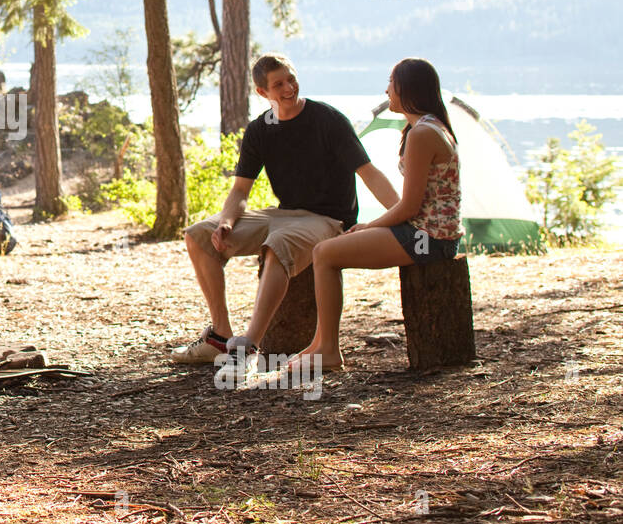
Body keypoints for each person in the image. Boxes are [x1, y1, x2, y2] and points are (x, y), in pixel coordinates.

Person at [173, 54, 401, 382]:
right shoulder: (259, 131)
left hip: (327, 218)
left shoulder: (328, 120)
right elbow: (240, 191)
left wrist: (399, 214)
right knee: (197, 234)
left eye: (291, 79)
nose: (289, 88)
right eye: (278, 84)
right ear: (262, 92)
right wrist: (226, 221)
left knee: (277, 243)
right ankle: (221, 336)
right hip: (282, 214)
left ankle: (248, 346)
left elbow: (370, 173)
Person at [290, 58, 461, 370]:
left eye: (391, 83)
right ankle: (320, 344)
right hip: (430, 233)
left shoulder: (423, 133)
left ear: (407, 88)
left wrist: (368, 226)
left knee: (325, 254)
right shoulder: (427, 127)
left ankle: (327, 349)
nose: (386, 90)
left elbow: (409, 207)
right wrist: (370, 228)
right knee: (324, 252)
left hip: (428, 238)